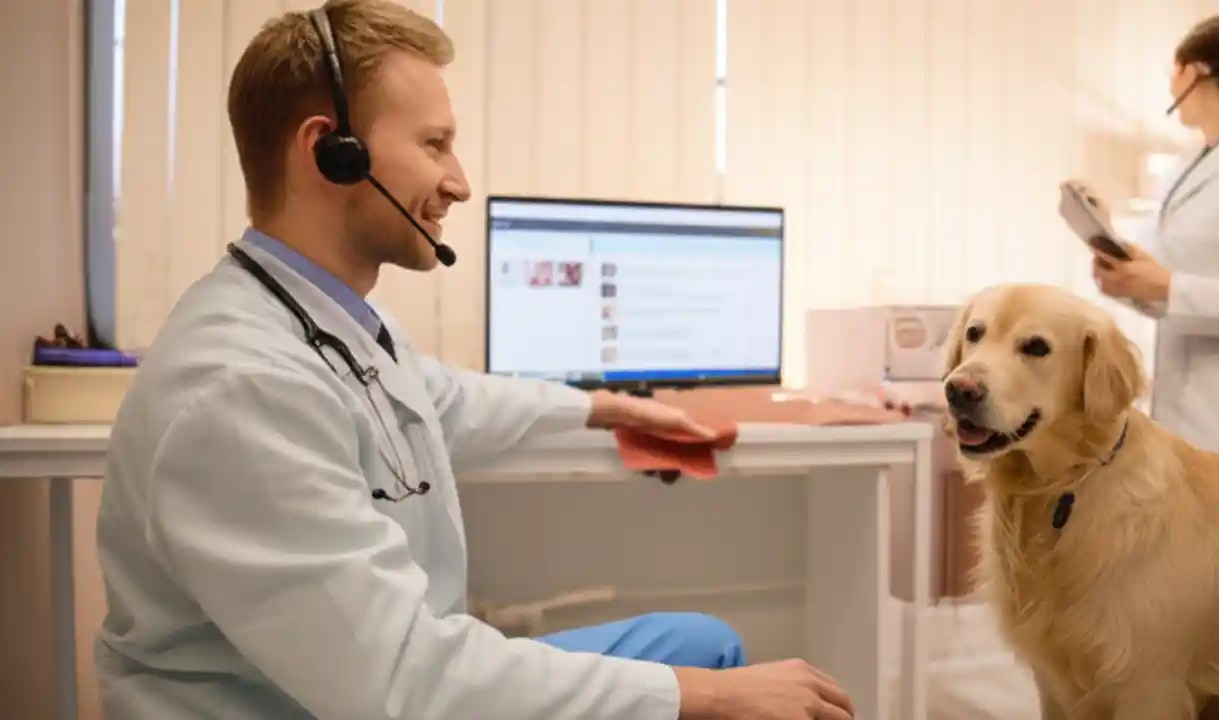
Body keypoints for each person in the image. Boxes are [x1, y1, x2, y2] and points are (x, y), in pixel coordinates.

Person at [93, 1, 857, 719]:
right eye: (434, 145)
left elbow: (447, 398)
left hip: (386, 678)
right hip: (343, 699)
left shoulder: (327, 321)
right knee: (713, 681)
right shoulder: (240, 388)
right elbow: (401, 680)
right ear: (331, 152)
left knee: (701, 644)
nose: (458, 181)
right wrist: (708, 698)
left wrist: (610, 408)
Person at [1077, 0, 1219, 460]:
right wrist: (1125, 271)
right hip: (1184, 419)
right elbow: (1173, 283)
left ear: (1195, 72)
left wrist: (1169, 288)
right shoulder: (1189, 167)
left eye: (1174, 70)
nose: (1170, 83)